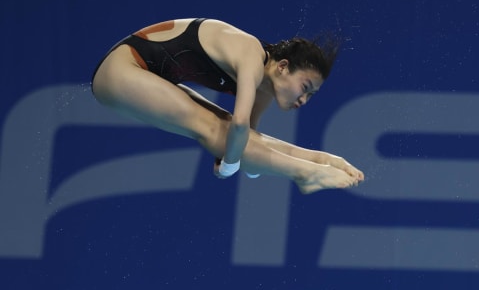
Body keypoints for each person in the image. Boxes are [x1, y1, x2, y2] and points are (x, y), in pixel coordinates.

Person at [91, 18, 364, 194]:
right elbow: (239, 128)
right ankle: (306, 173)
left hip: (145, 71)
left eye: (311, 95)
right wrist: (229, 164)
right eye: (305, 87)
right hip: (120, 70)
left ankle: (318, 159)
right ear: (283, 67)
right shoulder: (250, 56)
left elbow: (247, 138)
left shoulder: (265, 86)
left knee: (222, 125)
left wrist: (238, 159)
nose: (303, 100)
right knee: (212, 128)